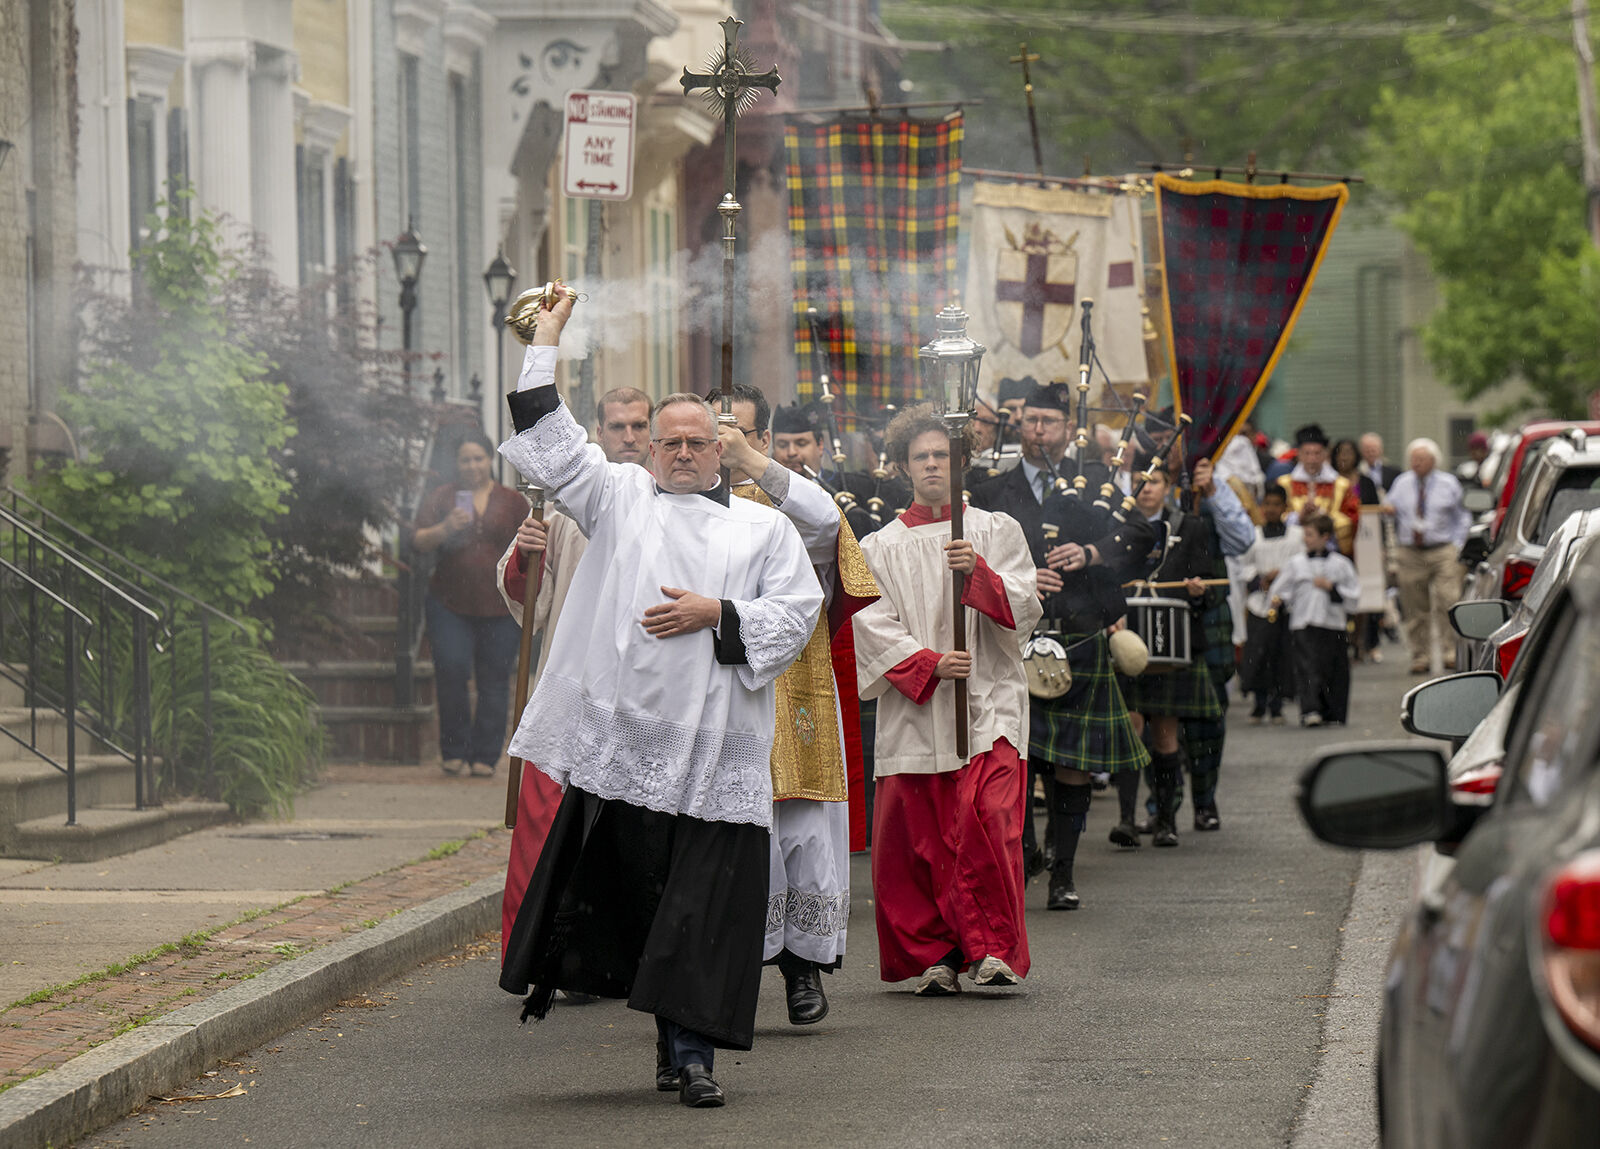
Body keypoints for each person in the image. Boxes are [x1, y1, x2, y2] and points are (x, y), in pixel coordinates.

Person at [496, 290, 823, 1109]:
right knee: (646, 904)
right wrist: (546, 338)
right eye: (666, 440)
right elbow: (543, 422)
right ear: (648, 450)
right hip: (631, 749)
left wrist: (719, 614)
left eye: (695, 442)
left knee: (704, 911)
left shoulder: (763, 529)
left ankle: (694, 1054)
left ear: (722, 451)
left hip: (718, 752)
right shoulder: (617, 498)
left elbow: (797, 612)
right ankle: (669, 1043)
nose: (679, 452)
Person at [854, 404, 1041, 995]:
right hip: (918, 707)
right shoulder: (878, 545)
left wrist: (980, 574)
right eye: (921, 457)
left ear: (962, 461)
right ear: (904, 466)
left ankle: (991, 950)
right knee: (921, 835)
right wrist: (929, 662)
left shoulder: (995, 529)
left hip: (990, 700)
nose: (933, 465)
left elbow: (1028, 605)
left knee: (989, 819)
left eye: (942, 455)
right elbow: (868, 622)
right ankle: (935, 954)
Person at [708, 382, 878, 1028]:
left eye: (735, 432)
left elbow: (826, 522)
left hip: (794, 686)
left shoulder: (785, 498)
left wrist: (751, 466)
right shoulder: (686, 503)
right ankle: (726, 978)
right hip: (721, 687)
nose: (717, 444)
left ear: (763, 438)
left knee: (800, 831)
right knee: (729, 835)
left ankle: (801, 969)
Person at [970, 383, 1157, 909]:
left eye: (1048, 422)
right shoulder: (991, 490)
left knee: (1072, 763)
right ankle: (1029, 851)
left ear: (1067, 427)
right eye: (1030, 420)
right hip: (1014, 638)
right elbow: (972, 556)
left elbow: (1144, 535)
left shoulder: (1096, 482)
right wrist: (1022, 580)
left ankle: (1064, 873)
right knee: (1019, 757)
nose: (1037, 431)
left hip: (1077, 634)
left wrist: (1094, 552)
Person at [493, 386, 652, 961]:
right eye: (617, 427)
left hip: (642, 696)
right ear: (598, 433)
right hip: (571, 689)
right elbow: (528, 606)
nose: (629, 437)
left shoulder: (677, 506)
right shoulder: (561, 515)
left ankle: (616, 953)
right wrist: (525, 556)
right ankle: (540, 952)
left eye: (639, 426)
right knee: (546, 823)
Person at [1117, 456, 1225, 848]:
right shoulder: (1116, 524)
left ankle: (1166, 820)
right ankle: (1127, 821)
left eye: (1155, 481)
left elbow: (1213, 588)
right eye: (1140, 479)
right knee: (1130, 730)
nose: (1146, 487)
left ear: (1167, 486)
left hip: (1171, 643)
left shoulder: (1190, 526)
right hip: (1124, 639)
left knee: (1165, 736)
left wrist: (1199, 590)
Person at [410, 433, 526, 777]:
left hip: (501, 606)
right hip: (449, 604)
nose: (472, 466)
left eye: (478, 458)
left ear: (490, 460)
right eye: (465, 459)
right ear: (456, 464)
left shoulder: (512, 501)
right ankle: (453, 749)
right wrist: (446, 528)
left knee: (495, 679)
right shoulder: (443, 497)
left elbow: (531, 544)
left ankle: (485, 756)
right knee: (452, 671)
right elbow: (416, 540)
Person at [1386, 438, 1471, 675]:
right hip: (1411, 551)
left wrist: (1458, 544)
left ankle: (1450, 652)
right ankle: (1419, 654)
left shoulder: (1448, 483)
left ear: (1433, 461)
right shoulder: (1401, 483)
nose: (1416, 463)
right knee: (1414, 607)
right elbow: (1387, 510)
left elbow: (1462, 516)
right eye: (1413, 459)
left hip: (1442, 548)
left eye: (1421, 459)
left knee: (1448, 600)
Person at [1272, 514, 1360, 725]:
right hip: (1304, 622)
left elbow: (1354, 595)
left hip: (1332, 623)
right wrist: (1279, 602)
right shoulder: (1296, 563)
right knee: (1308, 668)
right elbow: (1281, 590)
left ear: (1325, 536)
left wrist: (1332, 588)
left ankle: (1332, 710)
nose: (1306, 539)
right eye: (1305, 534)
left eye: (1310, 535)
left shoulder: (1341, 564)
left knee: (1332, 668)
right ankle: (1310, 709)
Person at [1239, 487, 1300, 724]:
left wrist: (1282, 576)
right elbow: (1244, 566)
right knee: (1258, 654)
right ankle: (1258, 703)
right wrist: (1260, 579)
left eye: (1277, 504)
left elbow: (1300, 565)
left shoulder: (1295, 536)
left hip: (1285, 604)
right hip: (1259, 603)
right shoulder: (1253, 535)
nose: (1272, 509)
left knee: (1280, 654)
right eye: (1268, 504)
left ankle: (1277, 705)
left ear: (1285, 508)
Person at [1276, 423, 1359, 555]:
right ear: (1299, 455)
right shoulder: (1284, 484)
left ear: (1325, 454)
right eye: (1307, 453)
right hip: (1291, 553)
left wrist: (1322, 518)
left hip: (1331, 554)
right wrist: (1298, 517)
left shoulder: (1342, 486)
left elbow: (1352, 521)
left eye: (1317, 453)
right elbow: (1273, 518)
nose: (1312, 459)